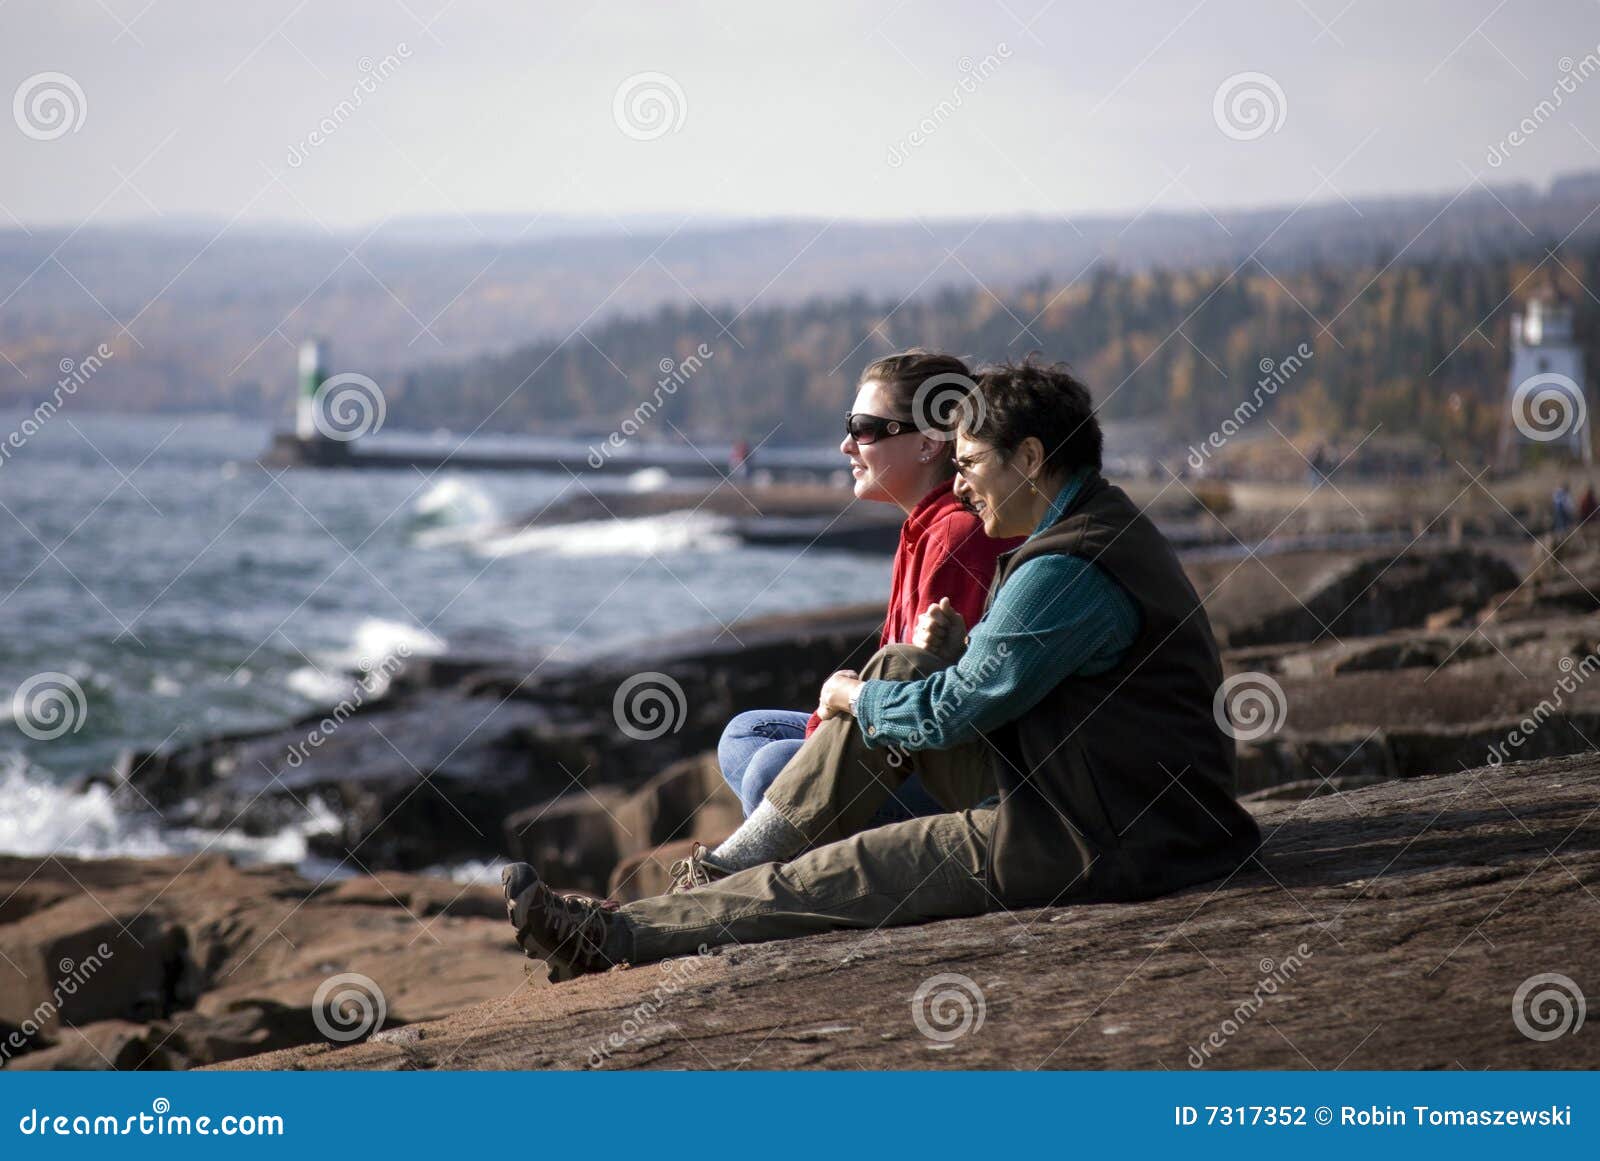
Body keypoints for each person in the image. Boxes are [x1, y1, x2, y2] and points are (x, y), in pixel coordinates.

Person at [503, 357, 1262, 980]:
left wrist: (855, 696)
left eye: (970, 465)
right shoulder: (1097, 526)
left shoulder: (1067, 568)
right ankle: (710, 876)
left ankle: (612, 936)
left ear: (1030, 458)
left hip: (1093, 837)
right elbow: (987, 688)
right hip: (1091, 796)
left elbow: (950, 712)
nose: (960, 486)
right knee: (893, 670)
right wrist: (912, 672)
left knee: (830, 880)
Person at [714, 351, 1021, 830]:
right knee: (744, 734)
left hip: (958, 769)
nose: (845, 445)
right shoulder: (923, 528)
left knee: (770, 772)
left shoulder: (957, 537)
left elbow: (927, 715)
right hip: (901, 732)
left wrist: (837, 711)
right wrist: (829, 718)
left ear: (929, 442)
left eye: (864, 428)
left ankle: (791, 883)